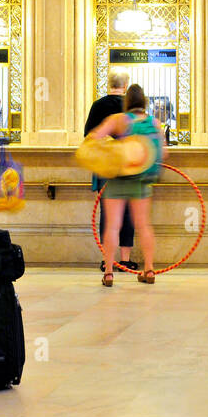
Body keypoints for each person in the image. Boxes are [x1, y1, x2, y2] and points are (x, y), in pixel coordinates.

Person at [88, 83, 167, 285]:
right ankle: (149, 270)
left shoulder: (119, 120)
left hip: (117, 178)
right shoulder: (154, 123)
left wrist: (111, 150)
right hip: (142, 180)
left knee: (113, 226)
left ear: (127, 102)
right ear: (145, 102)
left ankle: (108, 272)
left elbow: (93, 137)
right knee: (144, 225)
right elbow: (163, 153)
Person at [84, 73, 137, 273]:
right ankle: (125, 260)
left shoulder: (98, 105)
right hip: (128, 166)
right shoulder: (132, 107)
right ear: (126, 85)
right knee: (128, 212)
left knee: (108, 213)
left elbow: (88, 136)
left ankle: (108, 261)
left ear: (109, 84)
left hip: (106, 166)